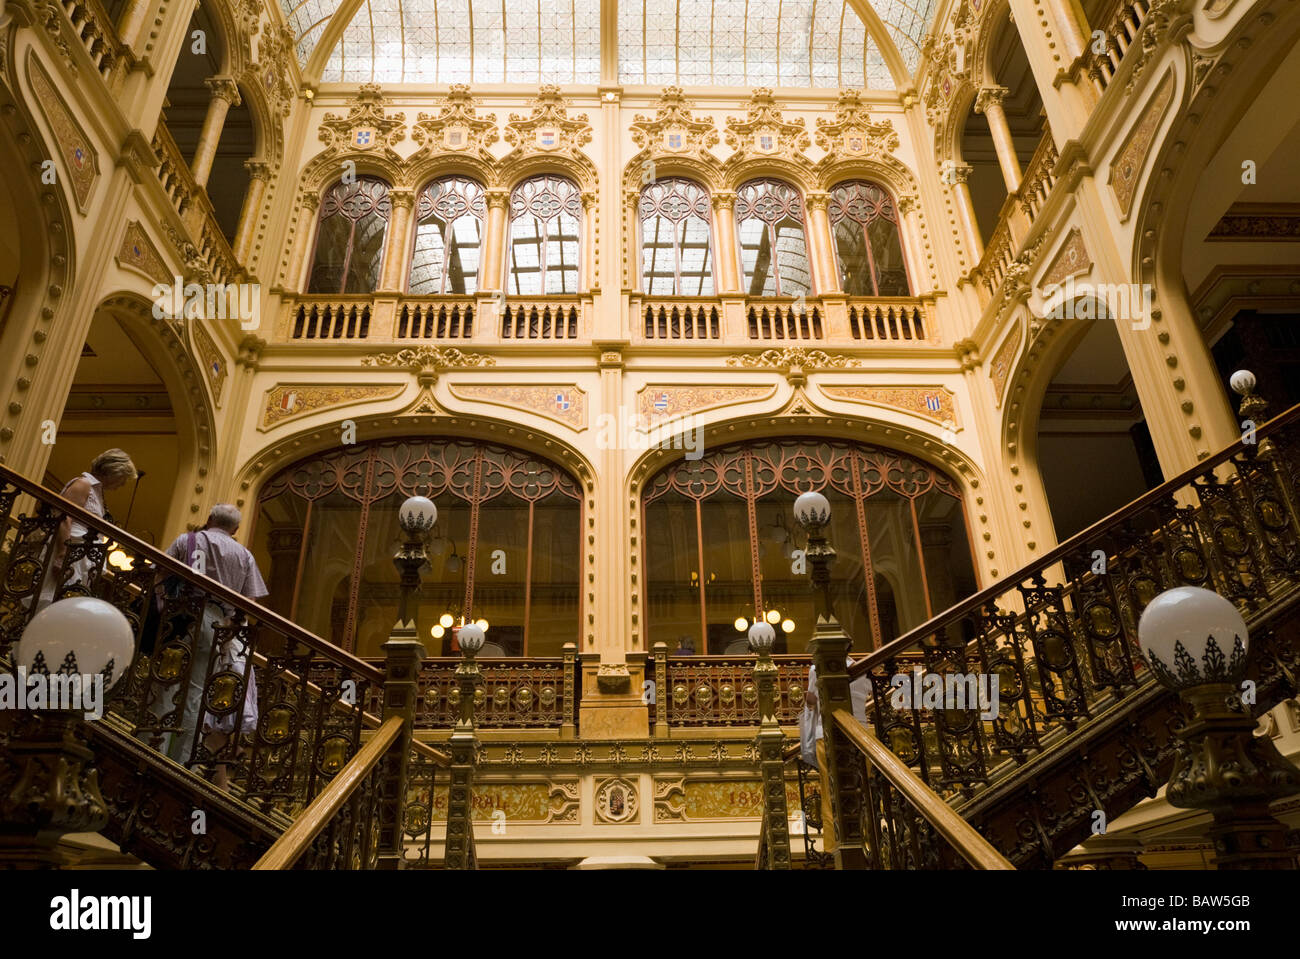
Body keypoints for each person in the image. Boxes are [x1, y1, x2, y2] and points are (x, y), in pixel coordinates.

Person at [158, 504, 268, 788]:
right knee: (197, 690)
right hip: (220, 624)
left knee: (169, 682)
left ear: (208, 520)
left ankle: (162, 750)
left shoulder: (187, 540)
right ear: (235, 530)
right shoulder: (244, 554)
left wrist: (161, 604)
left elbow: (162, 570)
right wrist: (233, 626)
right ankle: (184, 760)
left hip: (182, 618)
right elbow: (249, 602)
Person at [38, 449, 138, 607]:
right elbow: (63, 517)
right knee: (53, 602)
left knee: (67, 605)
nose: (122, 484)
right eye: (122, 479)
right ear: (113, 471)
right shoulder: (83, 484)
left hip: (80, 556)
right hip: (68, 552)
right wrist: (62, 554)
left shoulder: (97, 491)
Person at [800, 656, 871, 854]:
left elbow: (812, 701)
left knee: (832, 794)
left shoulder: (817, 668)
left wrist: (808, 731)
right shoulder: (861, 667)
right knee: (861, 792)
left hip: (828, 736)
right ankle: (867, 845)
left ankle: (835, 849)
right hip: (861, 736)